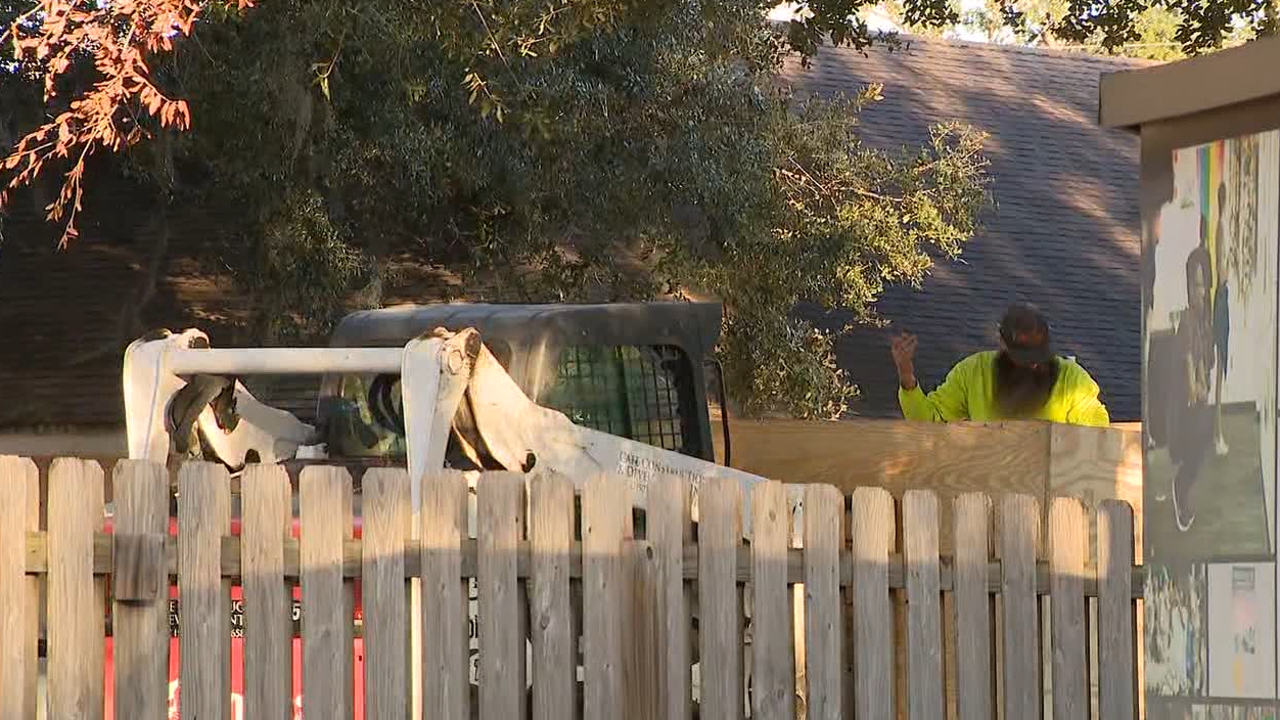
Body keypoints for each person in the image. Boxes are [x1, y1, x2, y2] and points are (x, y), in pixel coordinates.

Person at [889, 303, 1110, 427]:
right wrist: (906, 376)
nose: (1033, 365)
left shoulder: (1072, 379)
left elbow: (1098, 431)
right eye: (1024, 357)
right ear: (1002, 344)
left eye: (1038, 356)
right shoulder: (973, 372)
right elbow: (929, 422)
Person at [1170, 246, 1215, 532]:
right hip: (1186, 407)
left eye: (1202, 285)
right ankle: (1180, 492)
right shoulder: (1188, 320)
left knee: (1200, 449)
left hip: (1196, 403)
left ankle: (1182, 484)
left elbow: (1202, 359)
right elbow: (1189, 360)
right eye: (1194, 285)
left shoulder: (1202, 322)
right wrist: (1196, 387)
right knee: (1193, 456)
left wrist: (1203, 383)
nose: (1199, 292)